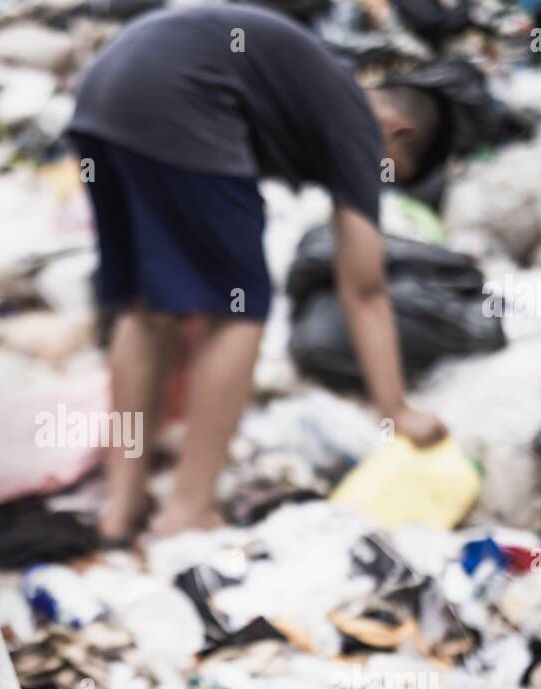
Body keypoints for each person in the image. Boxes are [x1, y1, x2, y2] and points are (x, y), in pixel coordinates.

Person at [68, 4, 451, 542]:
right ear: (397, 131)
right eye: (391, 172)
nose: (377, 182)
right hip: (179, 96)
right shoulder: (361, 125)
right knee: (241, 308)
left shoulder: (314, 86)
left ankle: (121, 506)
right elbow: (363, 287)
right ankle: (188, 512)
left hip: (103, 91)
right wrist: (397, 408)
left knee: (145, 308)